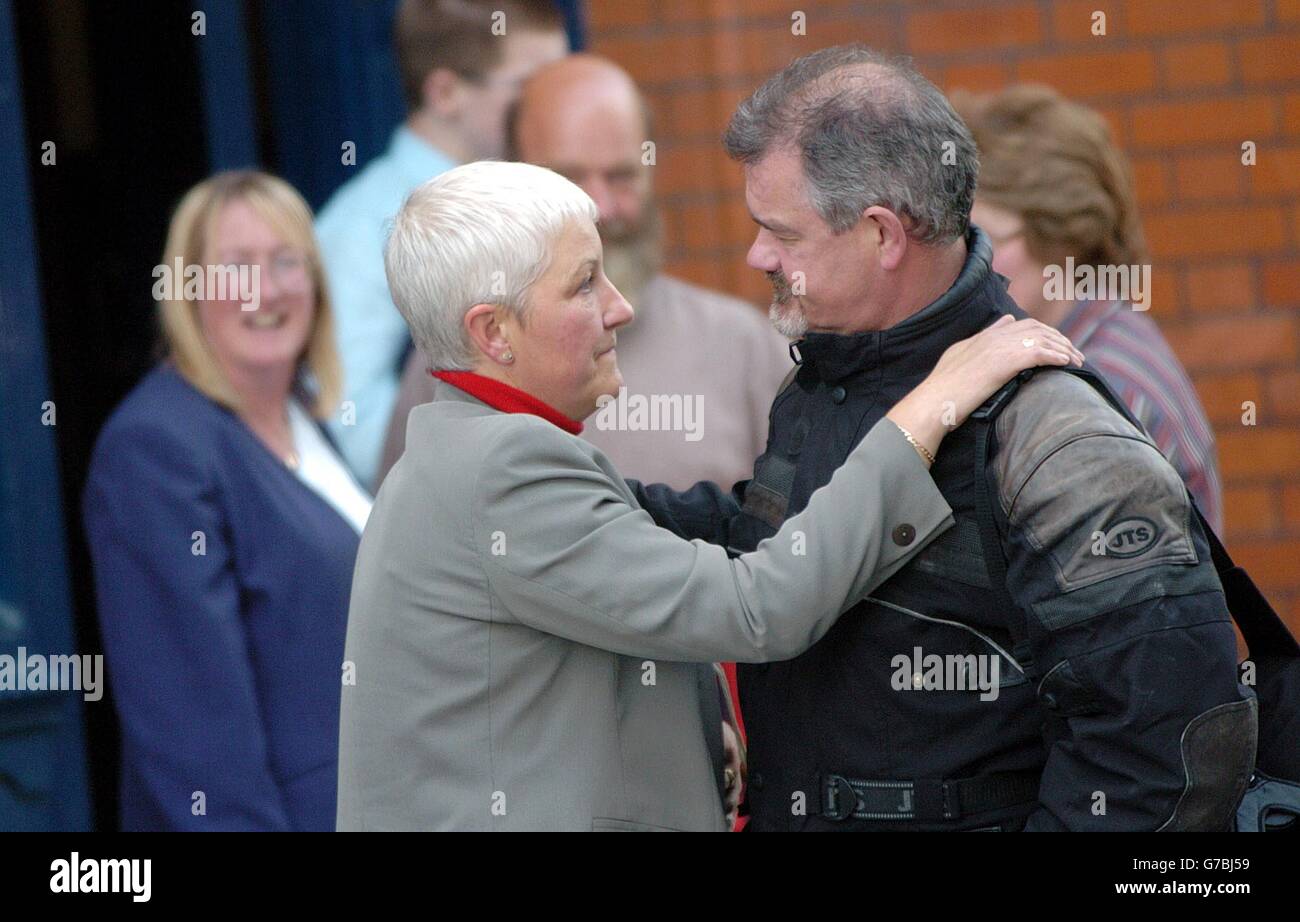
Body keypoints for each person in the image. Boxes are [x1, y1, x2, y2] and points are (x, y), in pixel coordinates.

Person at [335, 160, 1077, 831]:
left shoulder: (460, 452)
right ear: (493, 332)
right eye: (583, 284)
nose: (619, 307)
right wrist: (925, 412)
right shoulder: (503, 466)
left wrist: (694, 731)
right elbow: (760, 609)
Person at [632, 45, 1256, 831]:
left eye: (779, 232)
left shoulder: (1052, 437)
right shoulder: (821, 383)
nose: (756, 255)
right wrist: (565, 496)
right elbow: (770, 547)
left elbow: (1166, 750)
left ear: (882, 235)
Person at [83, 172, 372, 830]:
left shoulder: (302, 421)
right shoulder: (155, 450)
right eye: (235, 269)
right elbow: (195, 740)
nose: (265, 291)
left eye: (286, 262)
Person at [378, 54, 791, 491]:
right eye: (567, 177)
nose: (599, 207)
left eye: (622, 176)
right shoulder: (461, 361)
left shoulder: (744, 345)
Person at [317, 0, 567, 488]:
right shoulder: (364, 226)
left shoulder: (531, 196)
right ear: (446, 91)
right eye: (531, 86)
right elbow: (356, 424)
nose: (552, 106)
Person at [952, 83, 1224, 533]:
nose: (966, 260)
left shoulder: (1106, 393)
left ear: (1061, 237)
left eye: (984, 238)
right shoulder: (1087, 348)